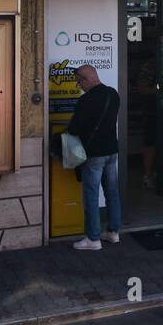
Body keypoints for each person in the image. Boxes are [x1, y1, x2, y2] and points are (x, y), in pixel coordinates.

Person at [68, 64, 121, 250]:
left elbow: (74, 129)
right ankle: (113, 232)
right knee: (112, 193)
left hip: (94, 154)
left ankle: (93, 238)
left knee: (91, 195)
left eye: (79, 81)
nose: (78, 85)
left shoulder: (86, 100)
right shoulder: (113, 94)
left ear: (86, 79)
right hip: (112, 151)